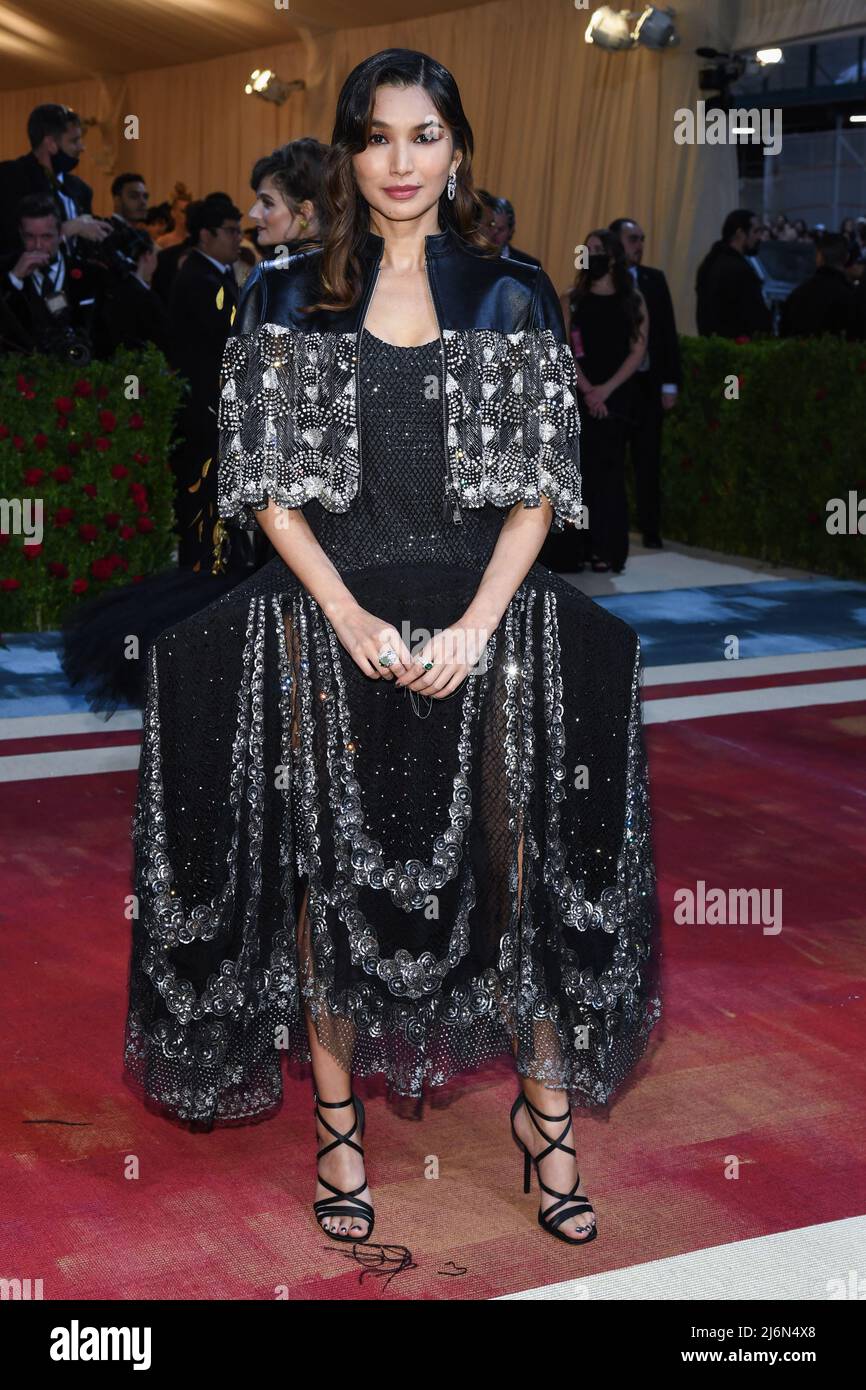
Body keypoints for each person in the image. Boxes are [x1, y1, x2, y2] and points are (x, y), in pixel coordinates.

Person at [122, 49, 662, 1250]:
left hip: (488, 619)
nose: (401, 163)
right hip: (327, 621)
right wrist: (349, 617)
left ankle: (546, 1117)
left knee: (513, 866)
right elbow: (268, 491)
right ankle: (336, 1130)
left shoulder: (512, 288)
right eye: (375, 138)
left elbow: (535, 490)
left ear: (456, 146)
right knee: (330, 874)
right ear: (347, 152)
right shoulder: (281, 291)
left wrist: (473, 627)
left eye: (423, 136)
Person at [61, 146, 332, 712]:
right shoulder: (280, 281)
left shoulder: (285, 282)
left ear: (306, 209)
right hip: (296, 491)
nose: (254, 219)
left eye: (265, 203)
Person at [541, 228, 648, 574]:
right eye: (586, 251)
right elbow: (563, 349)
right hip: (578, 398)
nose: (591, 256)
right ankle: (577, 549)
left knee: (610, 475)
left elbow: (638, 349)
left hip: (617, 399)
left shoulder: (634, 300)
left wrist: (606, 390)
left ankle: (606, 548)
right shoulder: (571, 298)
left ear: (613, 256)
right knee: (578, 474)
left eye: (598, 250)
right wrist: (587, 389)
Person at [609, 216, 680, 549]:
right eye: (632, 238)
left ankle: (652, 530)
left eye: (641, 239)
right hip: (614, 386)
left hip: (649, 385)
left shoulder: (654, 279)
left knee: (648, 459)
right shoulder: (604, 281)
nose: (638, 245)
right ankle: (613, 532)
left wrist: (670, 383)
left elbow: (667, 332)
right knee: (612, 461)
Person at [0, 102, 112, 260]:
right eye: (74, 141)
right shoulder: (11, 177)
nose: (82, 147)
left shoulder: (81, 189)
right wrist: (69, 229)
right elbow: (9, 239)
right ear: (50, 144)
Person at [695, 209, 772, 338]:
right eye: (756, 231)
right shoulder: (738, 270)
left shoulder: (710, 263)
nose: (759, 237)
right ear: (740, 233)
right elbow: (756, 319)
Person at [779, 232, 865, 341]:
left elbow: (784, 335)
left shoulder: (797, 295)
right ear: (846, 257)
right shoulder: (852, 297)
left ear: (818, 256)